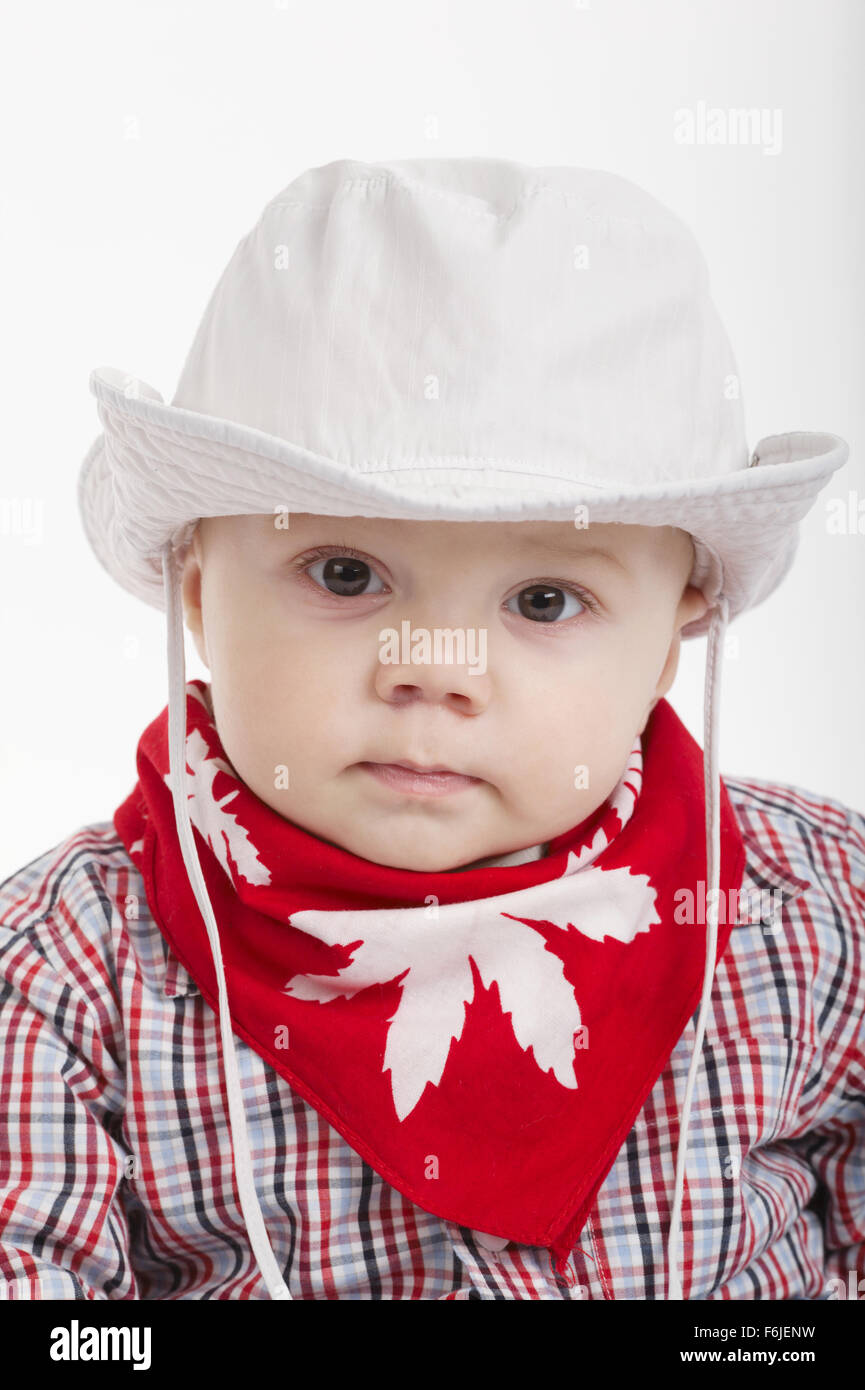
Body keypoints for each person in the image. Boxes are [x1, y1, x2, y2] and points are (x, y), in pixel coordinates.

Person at [1, 157, 862, 1301]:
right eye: (346, 572)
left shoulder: (808, 911)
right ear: (199, 592)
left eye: (544, 600)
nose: (432, 670)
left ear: (671, 636)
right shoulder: (73, 972)